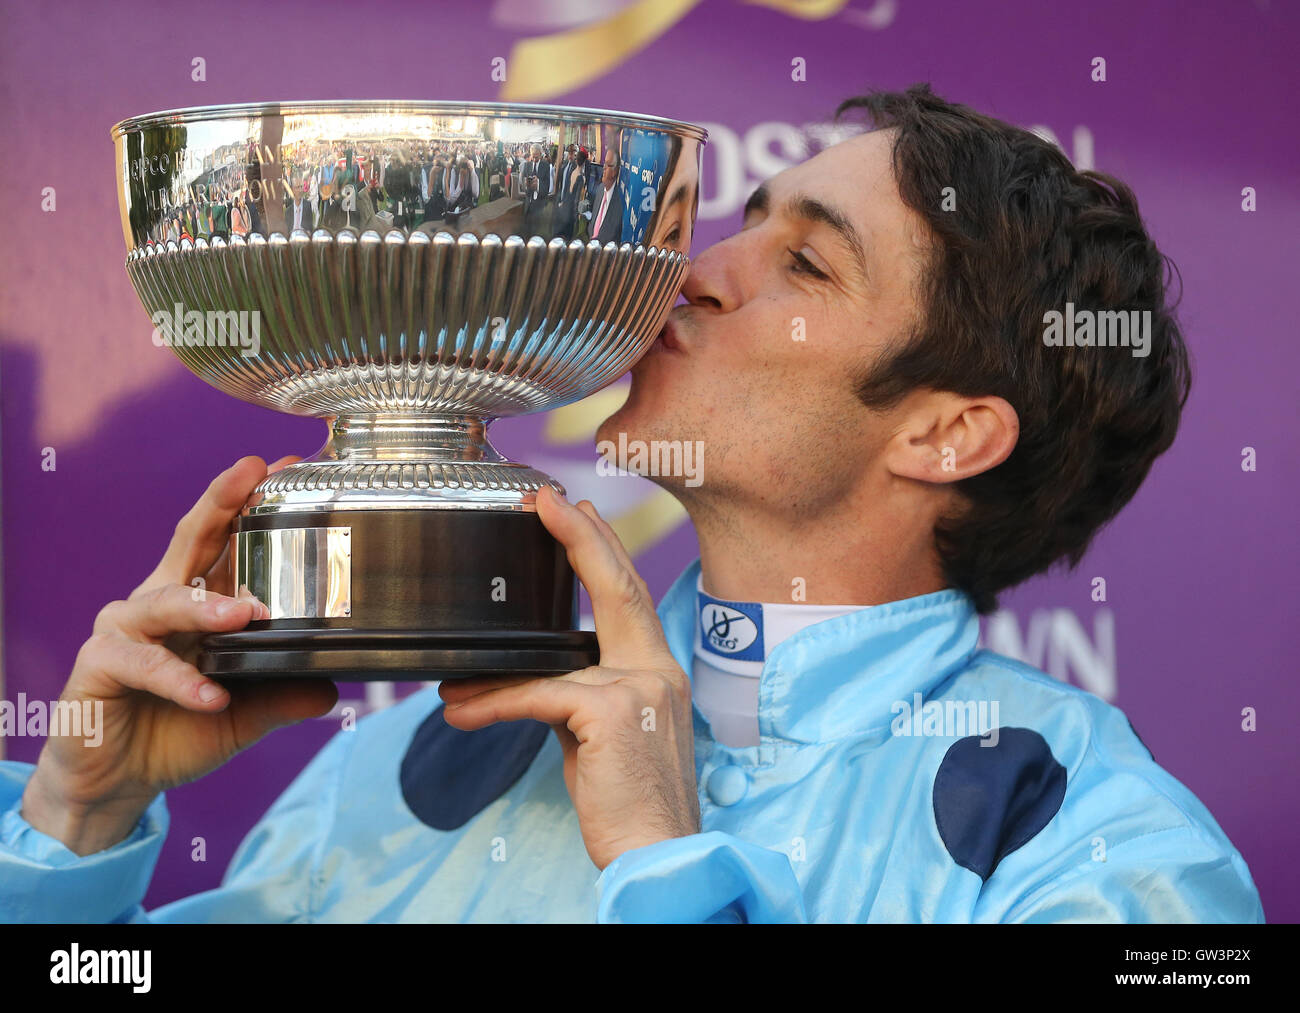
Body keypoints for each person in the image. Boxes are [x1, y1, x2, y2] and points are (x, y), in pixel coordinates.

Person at [0, 85, 1263, 923]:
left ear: (942, 432)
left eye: (805, 263)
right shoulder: (435, 746)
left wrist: (666, 864)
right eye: (738, 226)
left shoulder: (1092, 840)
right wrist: (77, 827)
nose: (693, 273)